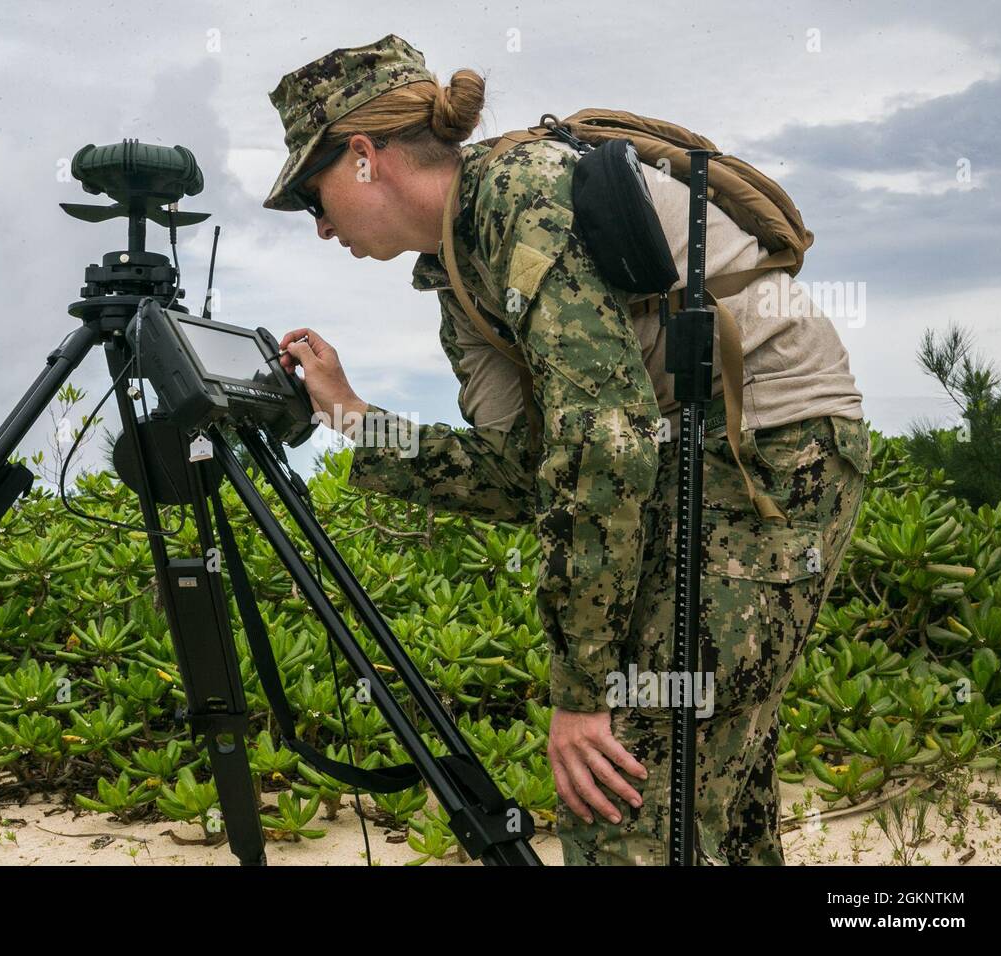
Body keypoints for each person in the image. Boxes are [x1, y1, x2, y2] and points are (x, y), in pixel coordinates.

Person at [263, 33, 870, 865]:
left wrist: (582, 693)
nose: (321, 226)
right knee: (711, 799)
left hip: (769, 454)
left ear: (364, 156)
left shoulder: (519, 195)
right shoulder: (460, 275)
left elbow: (603, 445)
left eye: (311, 194)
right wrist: (354, 419)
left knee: (628, 794)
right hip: (699, 460)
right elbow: (522, 475)